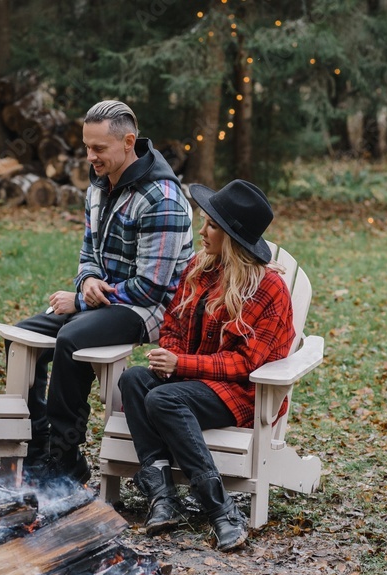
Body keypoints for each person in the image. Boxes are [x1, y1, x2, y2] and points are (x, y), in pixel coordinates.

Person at [15, 99, 194, 485]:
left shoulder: (162, 198)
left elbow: (151, 287)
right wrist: (87, 280)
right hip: (107, 299)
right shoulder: (98, 186)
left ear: (128, 142)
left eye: (98, 148)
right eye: (86, 146)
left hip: (152, 309)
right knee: (22, 336)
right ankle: (36, 445)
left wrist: (81, 300)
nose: (89, 156)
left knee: (71, 337)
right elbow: (87, 252)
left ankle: (65, 458)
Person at [116, 179, 296, 552]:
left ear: (232, 236)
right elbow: (172, 326)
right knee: (134, 380)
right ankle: (163, 497)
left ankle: (221, 510)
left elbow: (247, 364)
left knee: (162, 401)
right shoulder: (200, 269)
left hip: (246, 393)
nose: (202, 230)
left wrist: (181, 363)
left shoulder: (268, 289)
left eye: (212, 225)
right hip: (192, 381)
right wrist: (170, 359)